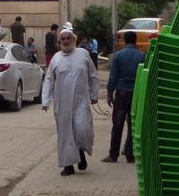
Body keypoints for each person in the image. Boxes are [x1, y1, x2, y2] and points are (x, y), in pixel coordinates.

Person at [42, 25, 100, 176]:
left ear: (73, 39)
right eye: (63, 39)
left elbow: (93, 76)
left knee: (81, 129)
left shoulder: (83, 54)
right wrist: (45, 100)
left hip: (81, 101)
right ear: (60, 41)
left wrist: (94, 96)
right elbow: (48, 79)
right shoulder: (56, 58)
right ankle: (68, 166)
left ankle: (81, 153)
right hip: (62, 104)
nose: (66, 41)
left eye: (69, 38)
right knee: (66, 134)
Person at [102, 30, 145, 164]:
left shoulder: (118, 56)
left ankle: (113, 155)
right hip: (136, 94)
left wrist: (109, 93)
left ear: (125, 41)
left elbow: (113, 77)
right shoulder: (142, 56)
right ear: (135, 40)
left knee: (117, 125)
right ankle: (130, 154)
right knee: (133, 125)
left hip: (121, 94)